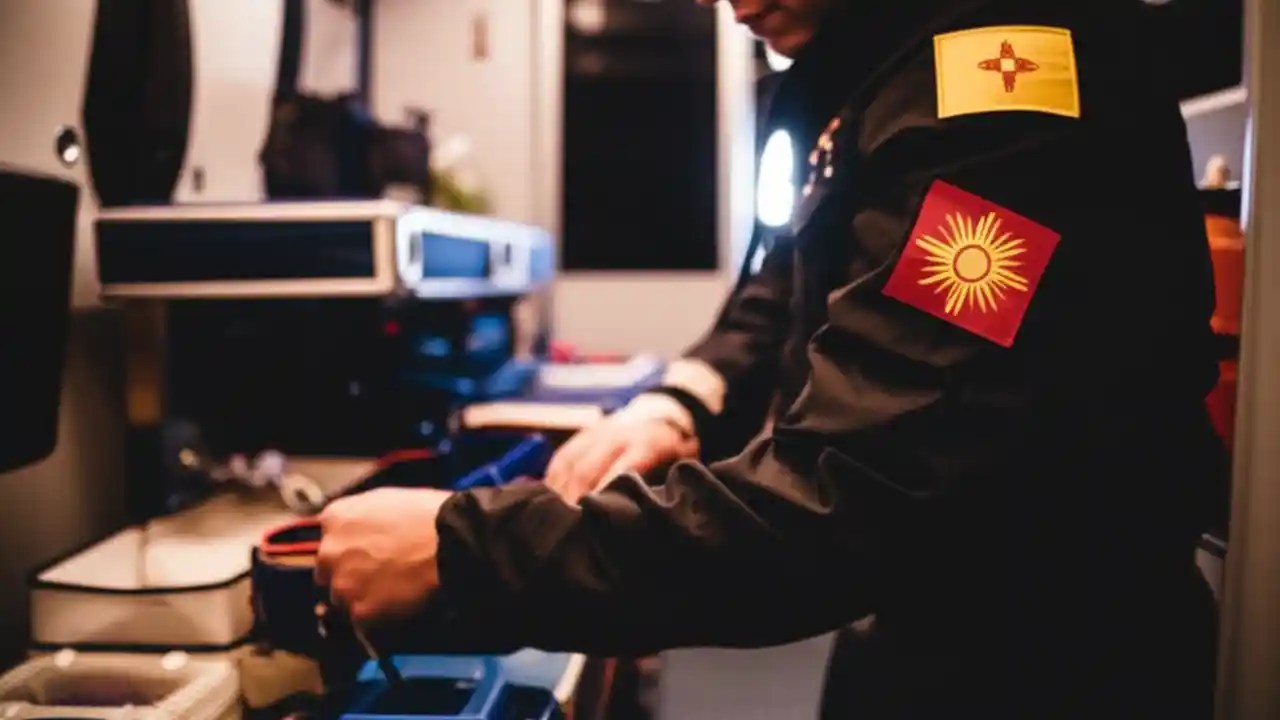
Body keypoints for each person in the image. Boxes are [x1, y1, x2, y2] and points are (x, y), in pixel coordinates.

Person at [315, 1, 1226, 716]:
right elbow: (786, 278)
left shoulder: (1002, 99)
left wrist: (465, 556)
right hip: (926, 634)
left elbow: (860, 488)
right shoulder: (878, 68)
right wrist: (676, 401)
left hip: (1048, 672)